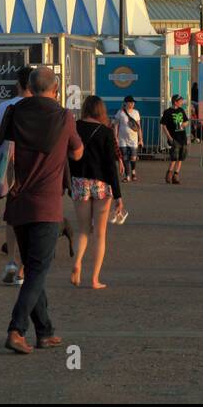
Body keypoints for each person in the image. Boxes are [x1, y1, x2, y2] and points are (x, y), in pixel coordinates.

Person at [0, 67, 84, 354]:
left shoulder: (15, 111)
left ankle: (45, 331)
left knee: (34, 267)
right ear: (55, 88)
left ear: (30, 87)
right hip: (47, 203)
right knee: (37, 270)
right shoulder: (62, 116)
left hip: (18, 201)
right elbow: (77, 152)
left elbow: (0, 146)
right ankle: (16, 329)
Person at [69, 96, 123, 289]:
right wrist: (118, 195)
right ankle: (94, 279)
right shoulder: (106, 132)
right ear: (100, 110)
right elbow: (110, 166)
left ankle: (77, 262)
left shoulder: (74, 127)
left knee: (83, 230)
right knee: (100, 234)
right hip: (101, 183)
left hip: (79, 181)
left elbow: (68, 157)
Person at [0, 64, 33, 285]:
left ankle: (11, 260)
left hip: (9, 166)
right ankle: (24, 267)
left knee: (11, 213)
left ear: (18, 84)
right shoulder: (39, 107)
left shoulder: (4, 106)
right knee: (30, 215)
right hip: (33, 166)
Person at [160, 94, 189, 184]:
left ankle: (176, 175)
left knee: (181, 157)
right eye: (180, 101)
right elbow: (164, 126)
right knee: (174, 157)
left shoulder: (181, 110)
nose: (181, 102)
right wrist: (169, 137)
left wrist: (184, 124)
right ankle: (169, 174)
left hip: (182, 137)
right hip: (174, 137)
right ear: (175, 102)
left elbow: (186, 121)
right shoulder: (168, 112)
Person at [114, 95, 142, 183]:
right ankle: (128, 176)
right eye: (130, 102)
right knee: (125, 158)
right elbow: (116, 125)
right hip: (122, 139)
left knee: (133, 157)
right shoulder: (120, 112)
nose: (132, 104)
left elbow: (138, 127)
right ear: (125, 103)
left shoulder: (136, 112)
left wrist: (141, 139)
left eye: (133, 103)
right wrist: (115, 137)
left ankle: (133, 171)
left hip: (133, 139)